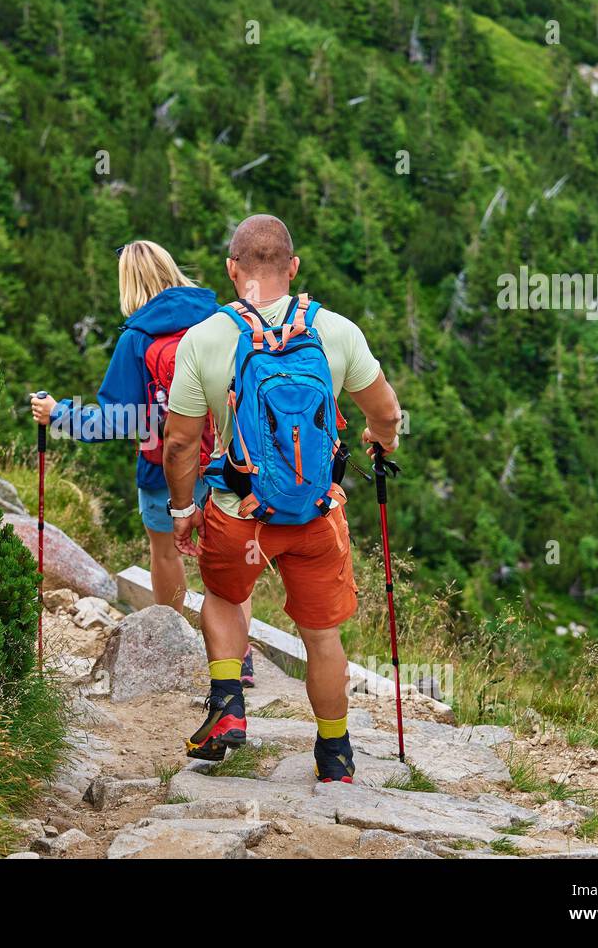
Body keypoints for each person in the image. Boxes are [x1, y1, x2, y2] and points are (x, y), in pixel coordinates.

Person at [162, 214, 402, 781]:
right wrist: (379, 439)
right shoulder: (338, 332)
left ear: (231, 270)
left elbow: (178, 442)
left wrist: (181, 511)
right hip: (317, 516)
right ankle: (336, 757)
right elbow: (386, 413)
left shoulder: (204, 338)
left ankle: (227, 706)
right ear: (293, 268)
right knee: (322, 637)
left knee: (223, 599)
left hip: (237, 514)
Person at [31, 242, 254, 681]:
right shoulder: (221, 320)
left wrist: (58, 413)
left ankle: (171, 642)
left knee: (166, 551)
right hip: (229, 460)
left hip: (163, 469)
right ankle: (238, 656)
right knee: (227, 560)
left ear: (129, 283)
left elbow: (115, 419)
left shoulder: (138, 337)